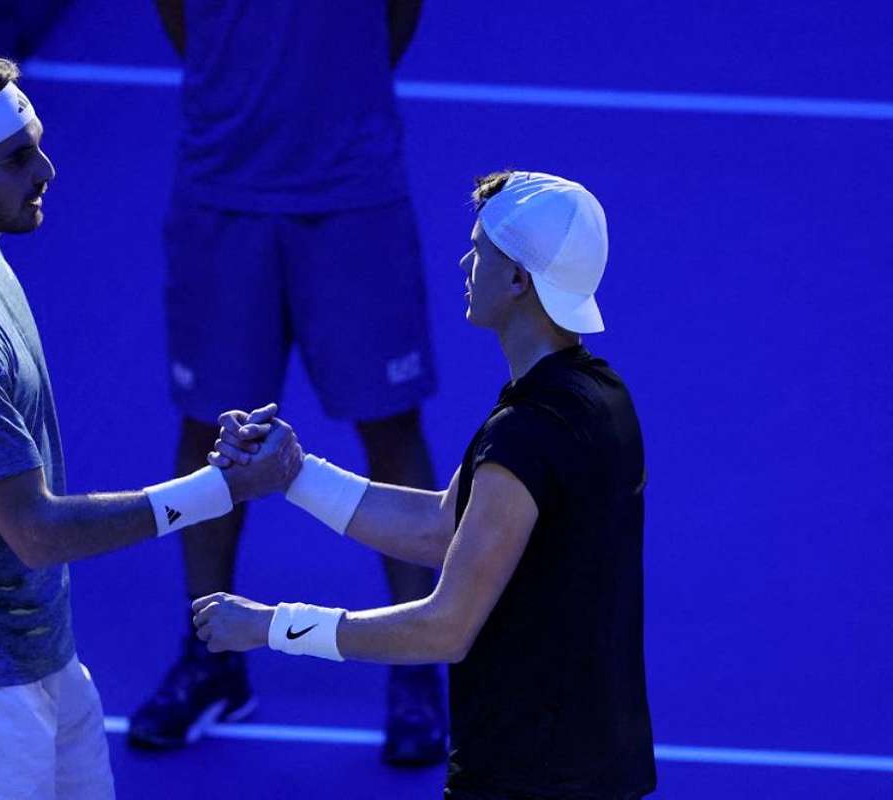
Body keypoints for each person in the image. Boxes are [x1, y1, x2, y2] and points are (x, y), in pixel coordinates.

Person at [0, 42, 299, 800]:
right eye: (18, 160)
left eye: (37, 148)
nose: (46, 173)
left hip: (38, 654)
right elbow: (38, 533)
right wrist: (218, 489)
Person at [195, 172, 658, 799]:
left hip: (529, 778)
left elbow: (444, 628)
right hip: (588, 766)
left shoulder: (525, 433)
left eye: (481, 251)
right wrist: (293, 474)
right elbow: (445, 527)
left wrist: (272, 626)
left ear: (519, 279)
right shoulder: (599, 397)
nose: (467, 263)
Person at [133, 0, 447, 764]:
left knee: (392, 425)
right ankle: (212, 655)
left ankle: (417, 660)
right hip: (221, 188)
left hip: (352, 190)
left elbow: (396, 17)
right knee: (210, 429)